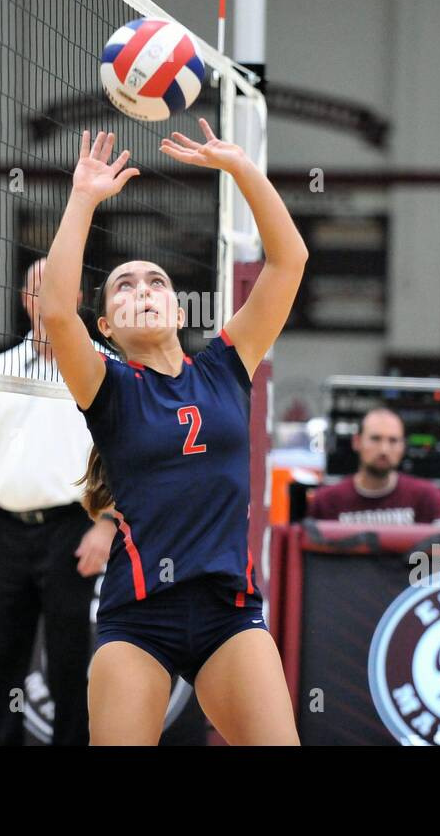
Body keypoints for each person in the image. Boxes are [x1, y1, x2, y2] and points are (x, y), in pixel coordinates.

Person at [41, 122, 304, 745]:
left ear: (178, 310)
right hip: (140, 617)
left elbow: (289, 260)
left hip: (228, 611)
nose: (143, 290)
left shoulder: (224, 367)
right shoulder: (108, 387)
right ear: (106, 325)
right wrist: (82, 197)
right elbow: (54, 310)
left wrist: (242, 169)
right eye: (124, 287)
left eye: (155, 281)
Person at [0, 258, 115, 747]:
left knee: (69, 660)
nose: (45, 297)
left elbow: (125, 456)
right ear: (23, 299)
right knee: (3, 659)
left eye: (56, 288)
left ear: (74, 299)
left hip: (72, 530)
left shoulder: (101, 366)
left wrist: (107, 525)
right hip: (8, 530)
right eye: (36, 289)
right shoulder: (1, 368)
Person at [308, 407, 440, 525]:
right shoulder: (326, 501)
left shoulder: (427, 498)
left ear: (403, 446)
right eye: (375, 439)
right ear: (356, 442)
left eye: (393, 441)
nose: (384, 450)